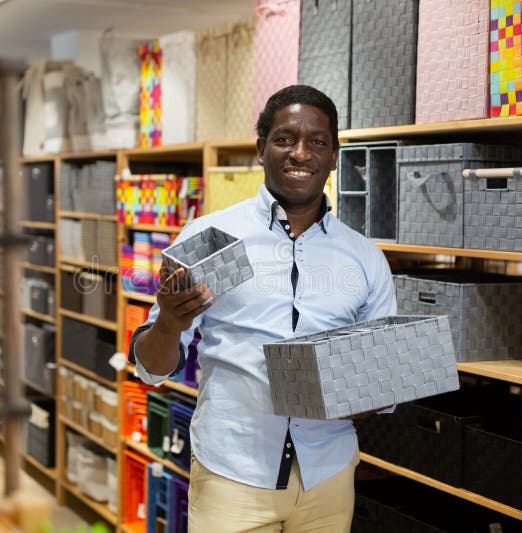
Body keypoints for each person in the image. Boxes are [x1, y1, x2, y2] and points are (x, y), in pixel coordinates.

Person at [130, 85, 397, 533]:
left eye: (317, 142)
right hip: (232, 476)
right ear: (260, 149)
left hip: (327, 479)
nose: (300, 153)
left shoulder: (364, 256)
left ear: (334, 156)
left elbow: (382, 377)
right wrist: (171, 322)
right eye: (284, 138)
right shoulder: (212, 238)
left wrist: (358, 392)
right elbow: (149, 371)